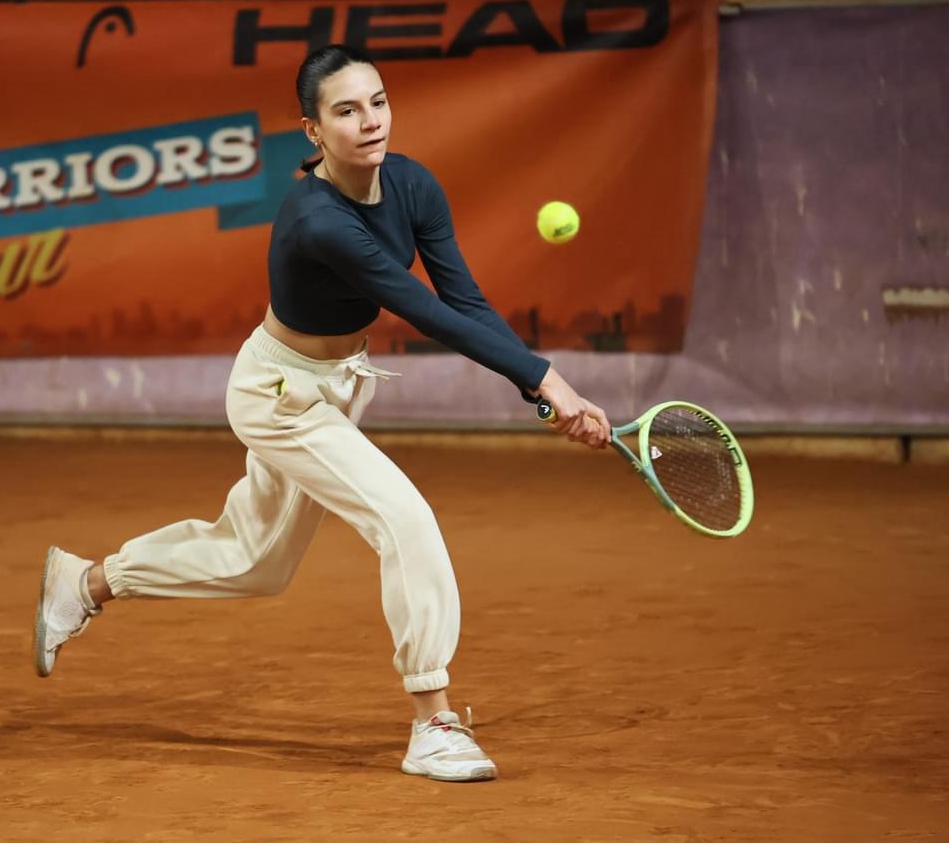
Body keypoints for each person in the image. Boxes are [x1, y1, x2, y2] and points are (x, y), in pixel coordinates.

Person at [33, 44, 610, 783]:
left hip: (339, 383)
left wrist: (541, 386)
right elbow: (423, 311)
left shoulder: (411, 183)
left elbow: (464, 300)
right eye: (345, 110)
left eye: (377, 101)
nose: (369, 121)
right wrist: (549, 379)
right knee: (404, 519)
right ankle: (432, 718)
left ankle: (84, 584)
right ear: (312, 130)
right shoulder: (319, 220)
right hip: (280, 394)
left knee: (255, 562)